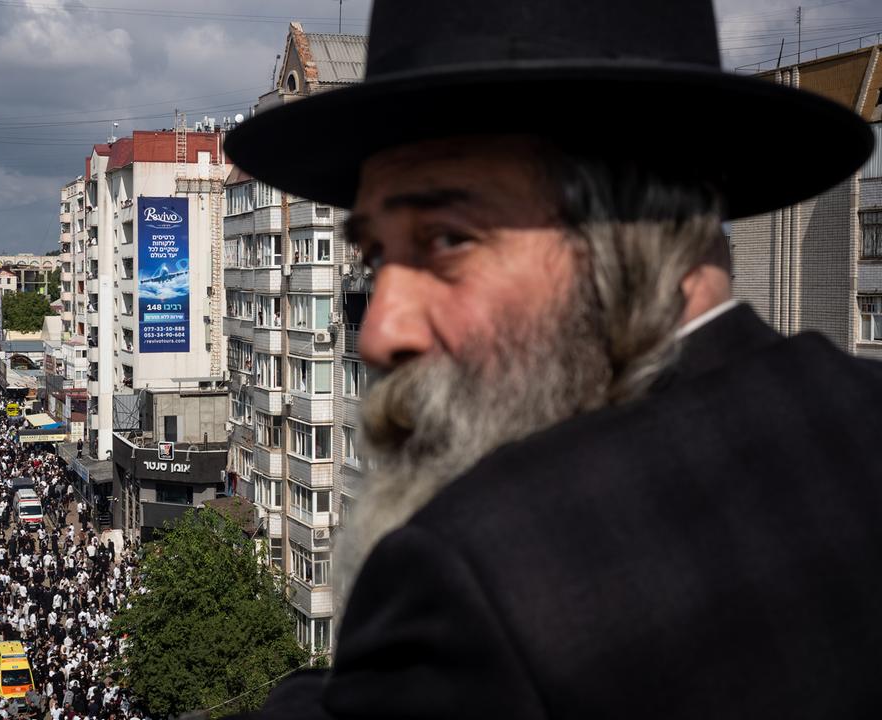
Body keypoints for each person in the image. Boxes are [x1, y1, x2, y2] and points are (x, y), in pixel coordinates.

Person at [224, 0, 880, 718]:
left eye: (446, 239)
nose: (381, 331)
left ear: (635, 226)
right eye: (378, 255)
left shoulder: (481, 577)